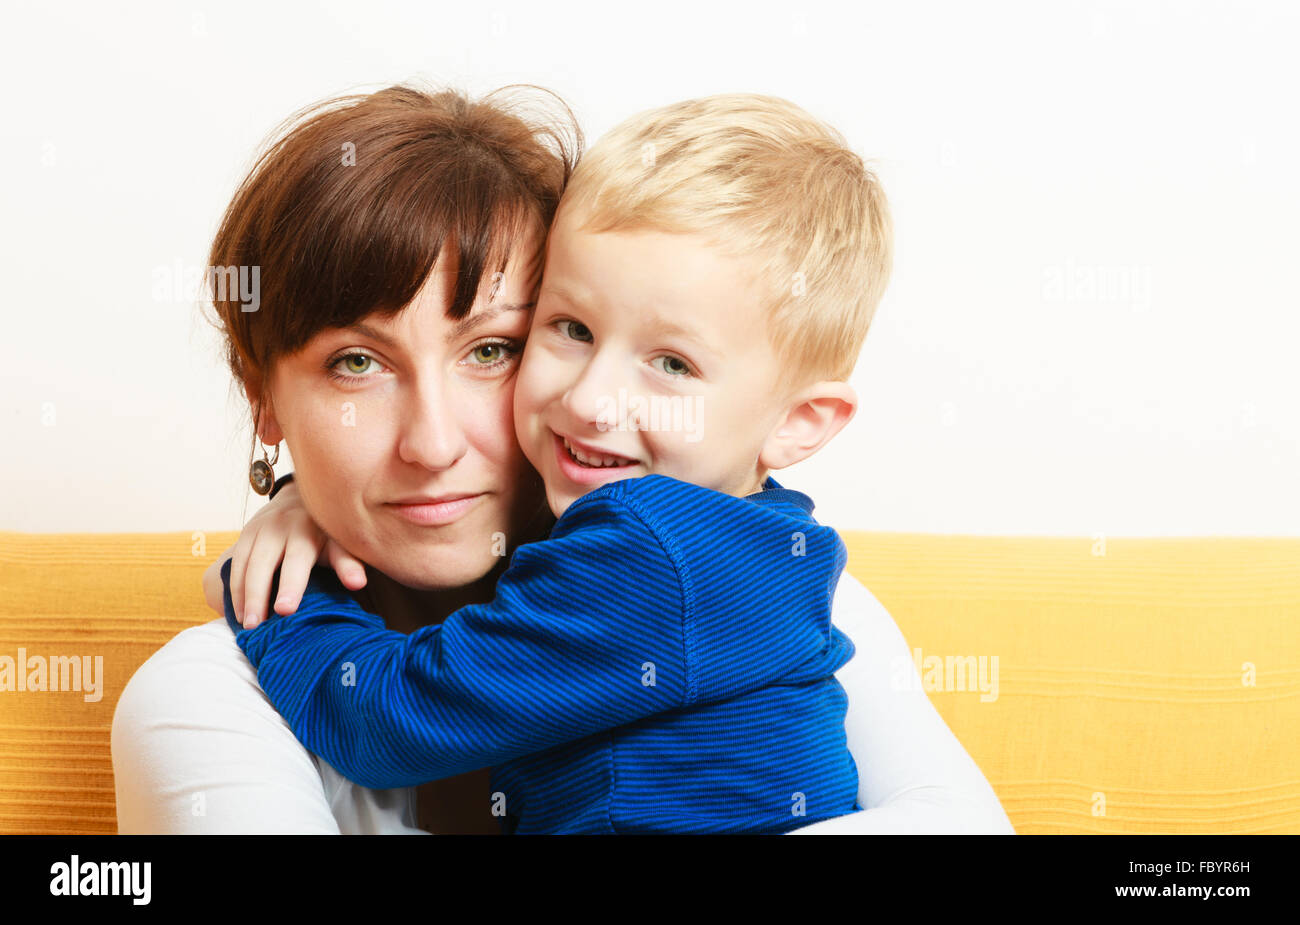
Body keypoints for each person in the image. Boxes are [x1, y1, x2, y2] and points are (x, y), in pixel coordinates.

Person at [112, 81, 1015, 835]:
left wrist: (286, 586)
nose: (431, 444)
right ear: (263, 396)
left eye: (490, 349)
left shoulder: (721, 566)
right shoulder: (204, 699)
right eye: (358, 364)